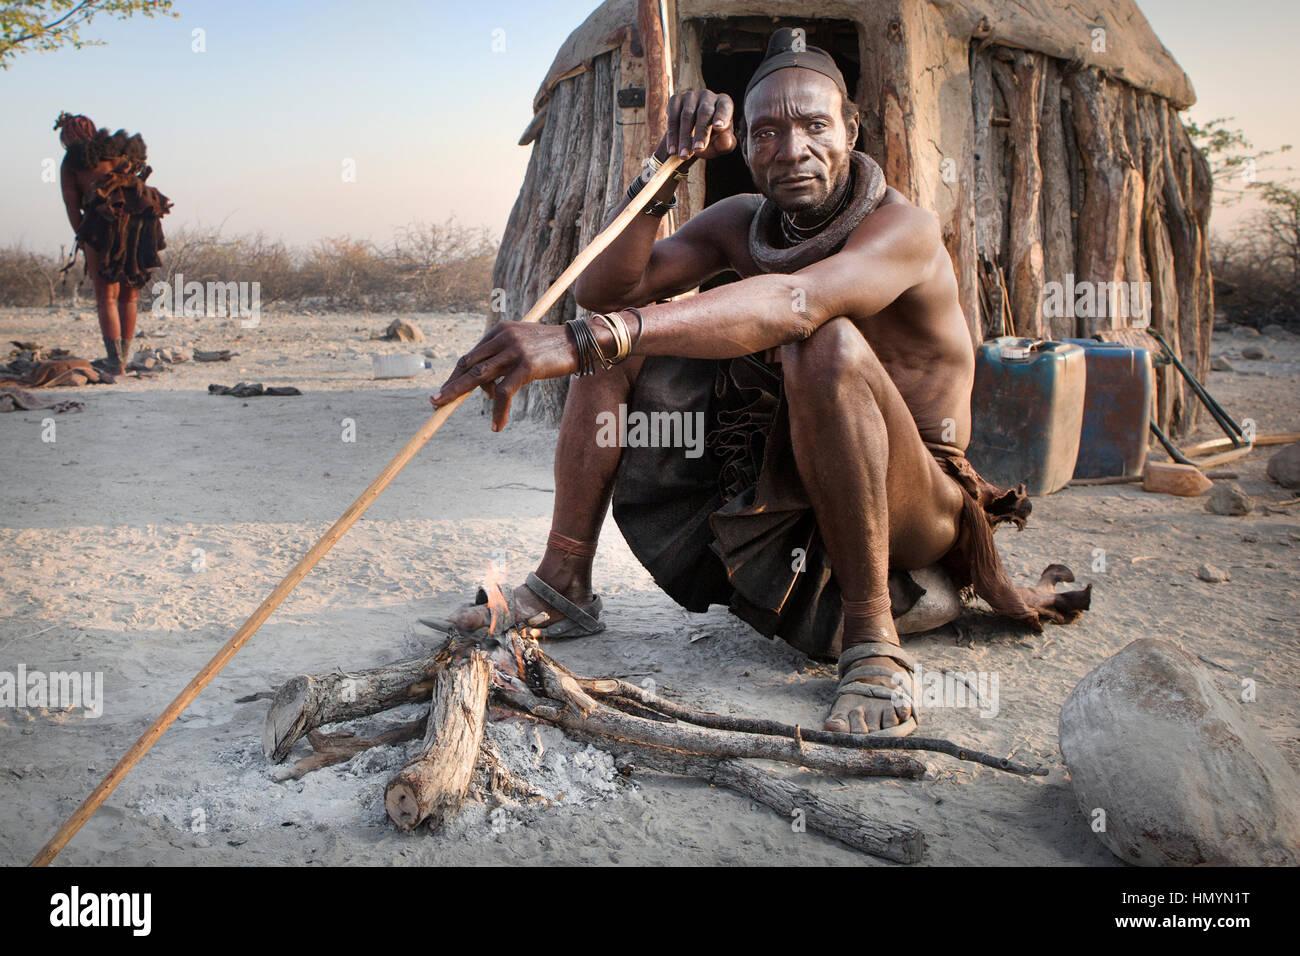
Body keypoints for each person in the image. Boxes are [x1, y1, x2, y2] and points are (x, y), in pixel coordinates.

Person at [429, 29, 1088, 736]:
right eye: (766, 131)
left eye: (815, 126)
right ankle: (563, 580)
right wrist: (666, 168)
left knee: (822, 343)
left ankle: (872, 638)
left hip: (915, 503)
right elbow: (605, 291)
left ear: (851, 129)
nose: (792, 149)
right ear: (743, 146)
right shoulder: (742, 223)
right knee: (616, 350)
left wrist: (580, 339)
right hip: (796, 473)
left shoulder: (906, 230)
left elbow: (797, 304)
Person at [55, 112, 172, 376]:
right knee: (129, 295)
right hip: (140, 221)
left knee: (107, 297)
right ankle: (123, 359)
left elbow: (72, 207)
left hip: (103, 222)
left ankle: (115, 363)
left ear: (68, 137)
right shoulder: (118, 150)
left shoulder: (71, 161)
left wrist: (83, 237)